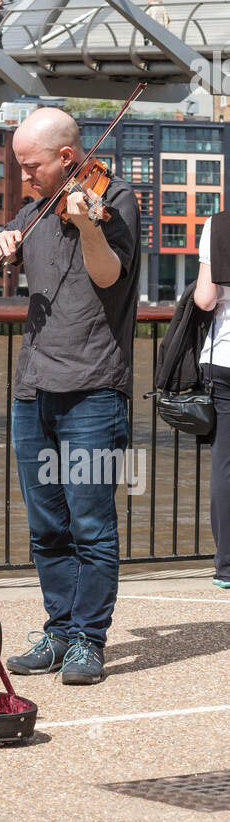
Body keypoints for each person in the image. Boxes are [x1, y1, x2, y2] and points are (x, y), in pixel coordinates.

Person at [0, 107, 140, 684]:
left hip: (93, 392)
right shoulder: (32, 213)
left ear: (67, 158)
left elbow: (110, 275)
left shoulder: (114, 202)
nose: (25, 177)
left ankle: (89, 641)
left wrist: (89, 224)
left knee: (91, 524)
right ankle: (59, 630)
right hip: (32, 391)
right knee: (47, 526)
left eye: (31, 165)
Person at [194, 213, 230, 588]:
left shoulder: (218, 225)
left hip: (225, 359)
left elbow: (206, 299)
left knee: (225, 464)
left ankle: (227, 566)